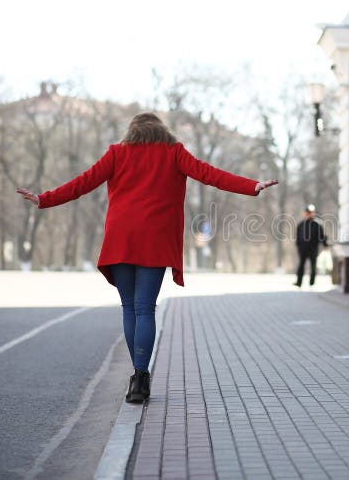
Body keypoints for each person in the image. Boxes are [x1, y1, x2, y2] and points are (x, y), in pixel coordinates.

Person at [15, 112, 277, 403]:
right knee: (145, 309)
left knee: (130, 308)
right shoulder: (174, 152)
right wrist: (251, 185)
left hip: (121, 239)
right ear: (162, 131)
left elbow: (83, 183)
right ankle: (141, 377)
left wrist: (45, 198)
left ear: (132, 131)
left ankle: (138, 377)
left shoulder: (117, 153)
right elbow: (210, 174)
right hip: (156, 241)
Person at [293, 204, 328, 287]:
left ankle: (312, 282)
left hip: (313, 248)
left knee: (313, 265)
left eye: (311, 212)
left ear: (313, 213)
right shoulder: (301, 224)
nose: (309, 214)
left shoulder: (317, 224)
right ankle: (299, 282)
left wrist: (325, 244)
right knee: (301, 265)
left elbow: (321, 236)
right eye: (307, 212)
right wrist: (298, 245)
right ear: (305, 213)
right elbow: (298, 236)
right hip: (302, 249)